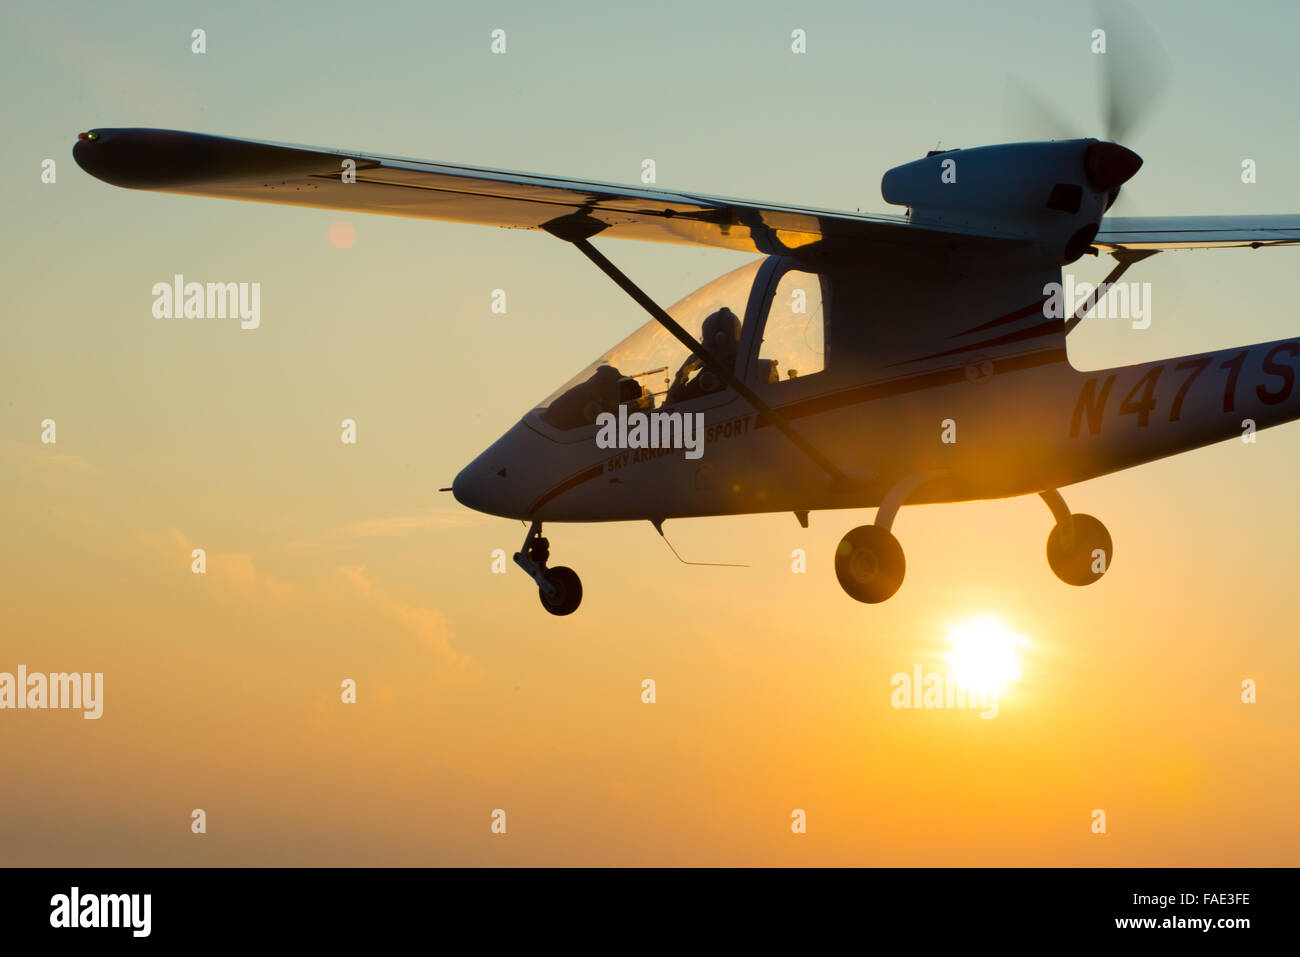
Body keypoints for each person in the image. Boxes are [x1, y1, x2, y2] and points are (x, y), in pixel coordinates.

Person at [665, 307, 741, 405]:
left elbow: (673, 401)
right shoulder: (742, 367)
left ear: (720, 339)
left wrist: (685, 369)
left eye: (705, 339)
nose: (703, 346)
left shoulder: (712, 377)